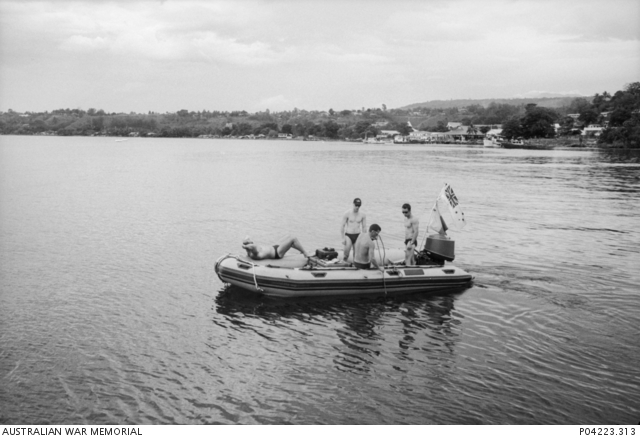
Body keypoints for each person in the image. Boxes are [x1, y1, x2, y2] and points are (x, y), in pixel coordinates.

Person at [241, 235, 309, 260]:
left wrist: (246, 242)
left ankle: (297, 248)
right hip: (277, 253)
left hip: (274, 247)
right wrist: (244, 246)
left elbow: (249, 243)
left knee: (288, 236)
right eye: (249, 242)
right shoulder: (254, 252)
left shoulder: (250, 253)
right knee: (293, 238)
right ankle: (305, 253)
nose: (251, 242)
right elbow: (250, 246)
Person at [340, 197, 367, 263]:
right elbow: (342, 226)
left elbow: (364, 227)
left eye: (359, 206)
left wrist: (364, 238)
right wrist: (343, 238)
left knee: (356, 254)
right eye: (356, 205)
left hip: (358, 235)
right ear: (353, 204)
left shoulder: (363, 215)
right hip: (349, 235)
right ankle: (344, 263)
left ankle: (355, 266)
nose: (357, 207)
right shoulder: (347, 213)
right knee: (346, 253)